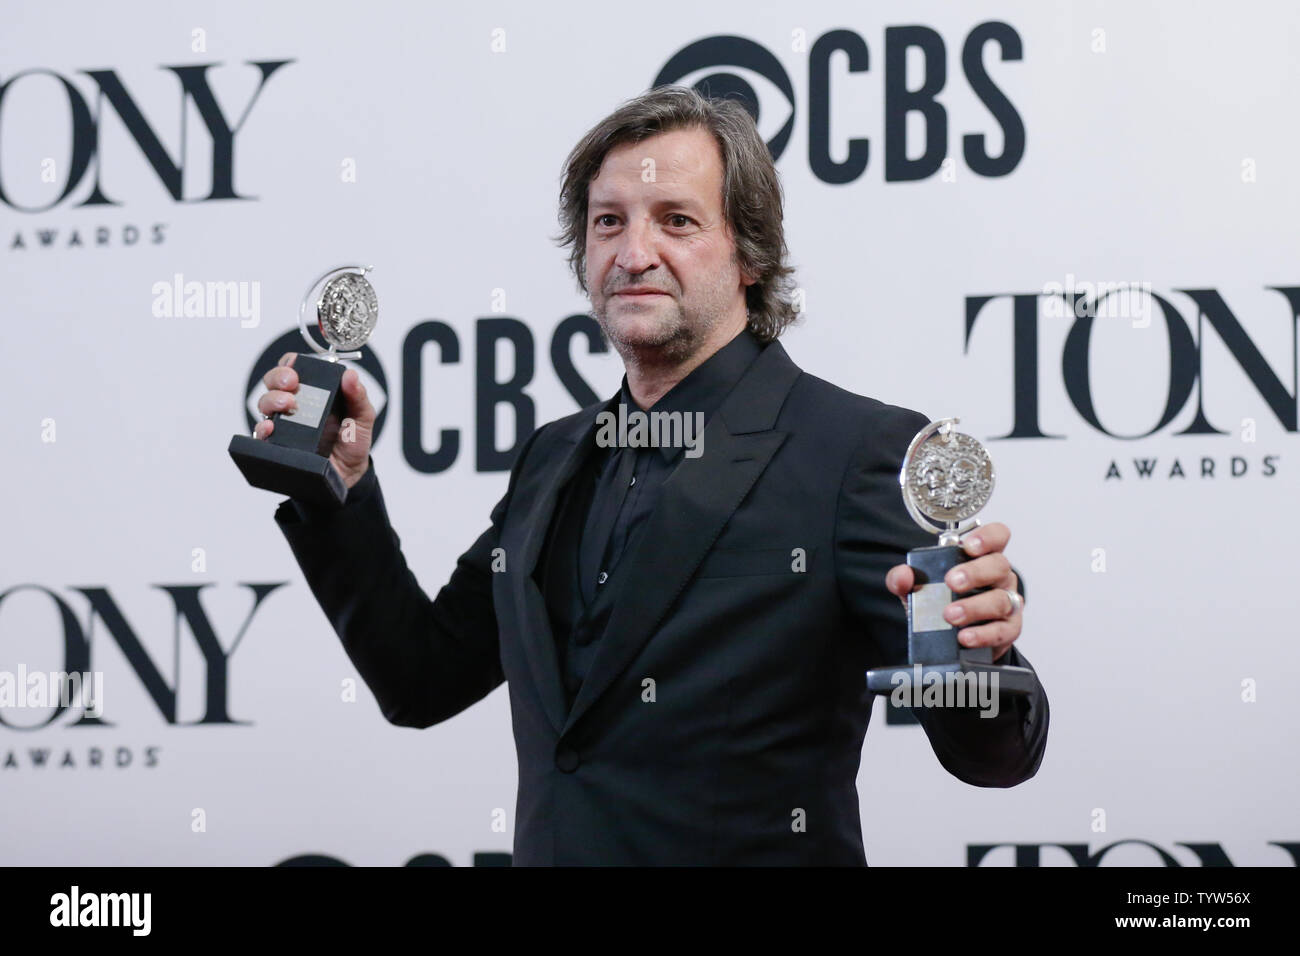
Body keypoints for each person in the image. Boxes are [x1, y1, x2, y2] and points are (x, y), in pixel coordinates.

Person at [254, 86, 1048, 865]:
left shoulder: (854, 451)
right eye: (609, 224)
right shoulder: (549, 460)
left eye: (676, 221)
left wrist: (983, 650)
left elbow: (992, 756)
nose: (635, 255)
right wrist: (339, 487)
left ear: (748, 252)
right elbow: (420, 680)